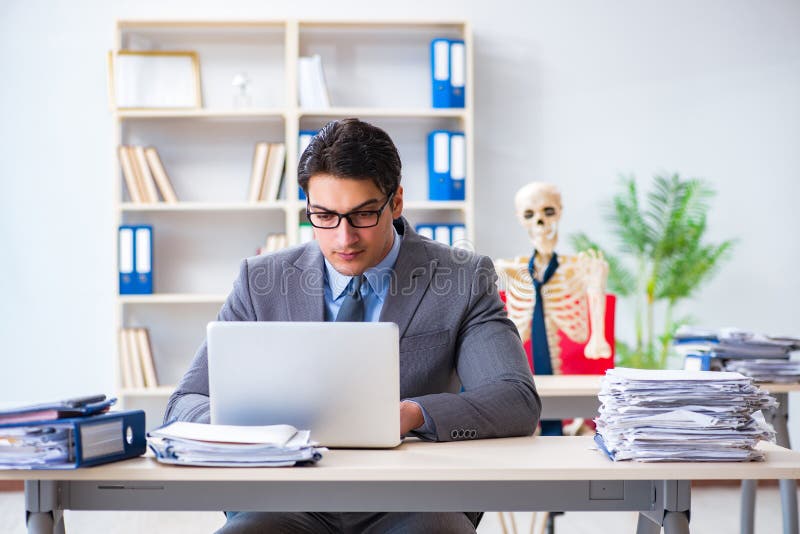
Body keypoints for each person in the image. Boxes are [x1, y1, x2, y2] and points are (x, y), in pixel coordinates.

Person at [165, 118, 541, 534]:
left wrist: (414, 414)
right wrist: (248, 426)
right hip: (284, 498)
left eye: (363, 215)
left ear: (396, 202)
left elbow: (515, 400)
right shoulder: (261, 281)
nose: (344, 238)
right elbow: (184, 403)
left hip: (413, 498)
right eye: (324, 216)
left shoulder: (462, 278)